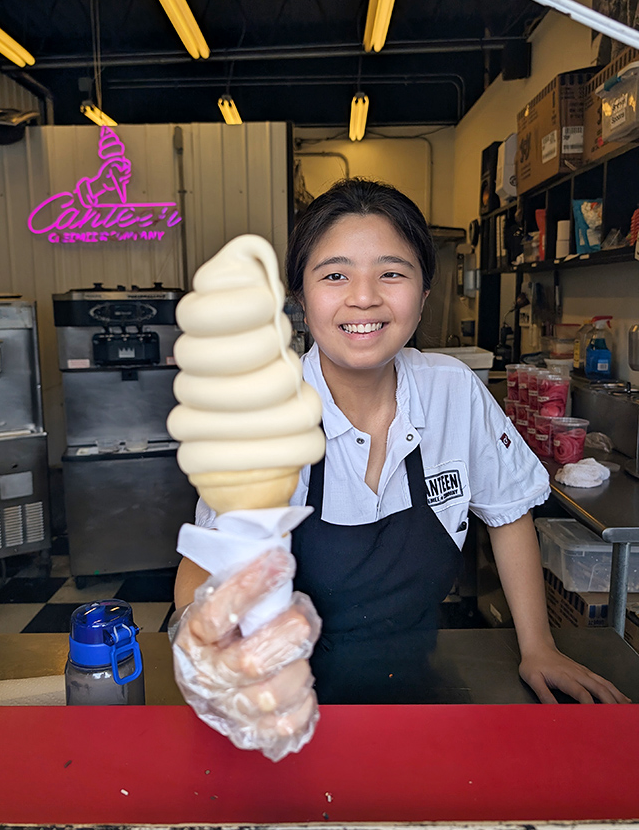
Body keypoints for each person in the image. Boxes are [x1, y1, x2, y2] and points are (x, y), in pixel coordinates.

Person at [174, 178, 628, 725]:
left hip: (417, 682)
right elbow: (200, 574)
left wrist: (538, 647)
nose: (364, 297)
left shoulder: (452, 391)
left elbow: (508, 514)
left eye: (391, 272)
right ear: (298, 296)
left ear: (424, 294)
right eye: (335, 274)